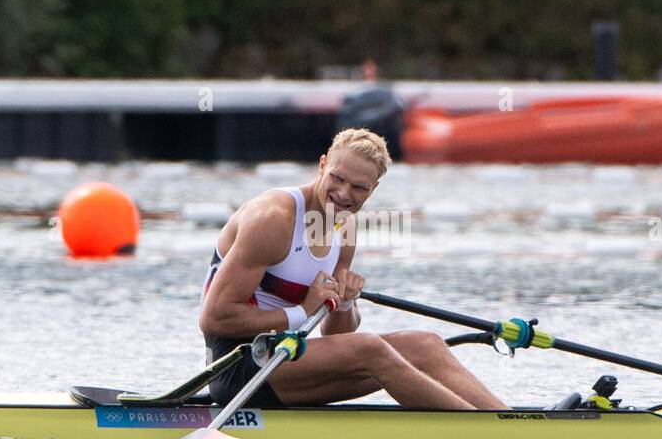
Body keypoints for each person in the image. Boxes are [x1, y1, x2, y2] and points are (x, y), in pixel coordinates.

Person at [199, 128, 507, 409]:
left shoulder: (344, 227)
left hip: (287, 358)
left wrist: (343, 301)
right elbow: (213, 320)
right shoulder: (272, 219)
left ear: (372, 190)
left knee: (425, 344)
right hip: (238, 368)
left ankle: (505, 420)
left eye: (359, 187)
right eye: (337, 178)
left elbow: (337, 334)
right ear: (322, 166)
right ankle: (485, 432)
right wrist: (303, 310)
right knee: (370, 348)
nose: (345, 194)